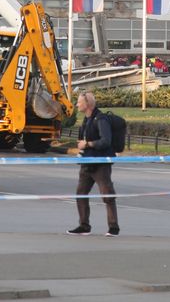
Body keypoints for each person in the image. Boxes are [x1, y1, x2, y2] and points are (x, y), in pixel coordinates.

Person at [67, 92, 118, 237]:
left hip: (100, 163)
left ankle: (113, 227)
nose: (77, 104)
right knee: (81, 194)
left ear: (87, 104)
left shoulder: (101, 119)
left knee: (107, 195)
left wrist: (87, 144)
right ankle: (84, 226)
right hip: (87, 162)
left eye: (79, 102)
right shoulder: (86, 120)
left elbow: (105, 141)